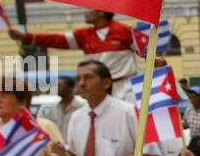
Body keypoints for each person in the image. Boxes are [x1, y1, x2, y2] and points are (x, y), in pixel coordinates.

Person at [9, 8, 139, 100]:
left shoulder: (125, 31)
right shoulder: (83, 35)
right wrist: (25, 37)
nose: (85, 12)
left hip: (124, 87)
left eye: (89, 8)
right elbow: (56, 40)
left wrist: (158, 60)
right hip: (97, 90)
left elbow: (146, 51)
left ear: (101, 11)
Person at [45, 75, 86, 139]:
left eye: (60, 85)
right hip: (58, 146)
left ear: (70, 88)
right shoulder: (53, 109)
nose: (57, 88)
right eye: (56, 86)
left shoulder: (81, 107)